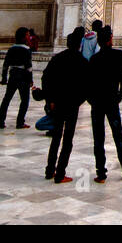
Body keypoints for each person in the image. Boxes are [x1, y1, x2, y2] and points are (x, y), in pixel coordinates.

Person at [87, 27, 122, 183]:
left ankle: (101, 174)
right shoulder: (118, 56)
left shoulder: (94, 59)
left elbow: (88, 84)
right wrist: (119, 97)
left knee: (98, 138)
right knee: (118, 136)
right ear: (110, 39)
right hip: (111, 102)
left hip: (97, 103)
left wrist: (91, 100)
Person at [42, 31, 89, 182]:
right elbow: (85, 86)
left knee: (56, 138)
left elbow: (45, 78)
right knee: (67, 139)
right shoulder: (81, 61)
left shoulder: (58, 58)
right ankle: (60, 173)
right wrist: (78, 101)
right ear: (79, 44)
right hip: (71, 105)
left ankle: (49, 171)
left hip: (58, 104)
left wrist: (50, 100)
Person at [0, 28, 34, 130]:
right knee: (25, 100)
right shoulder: (26, 50)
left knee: (7, 99)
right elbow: (28, 67)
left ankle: (0, 121)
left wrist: (4, 77)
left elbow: (5, 65)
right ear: (23, 37)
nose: (28, 37)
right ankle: (20, 122)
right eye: (27, 35)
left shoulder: (11, 49)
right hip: (23, 76)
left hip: (13, 75)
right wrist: (30, 80)